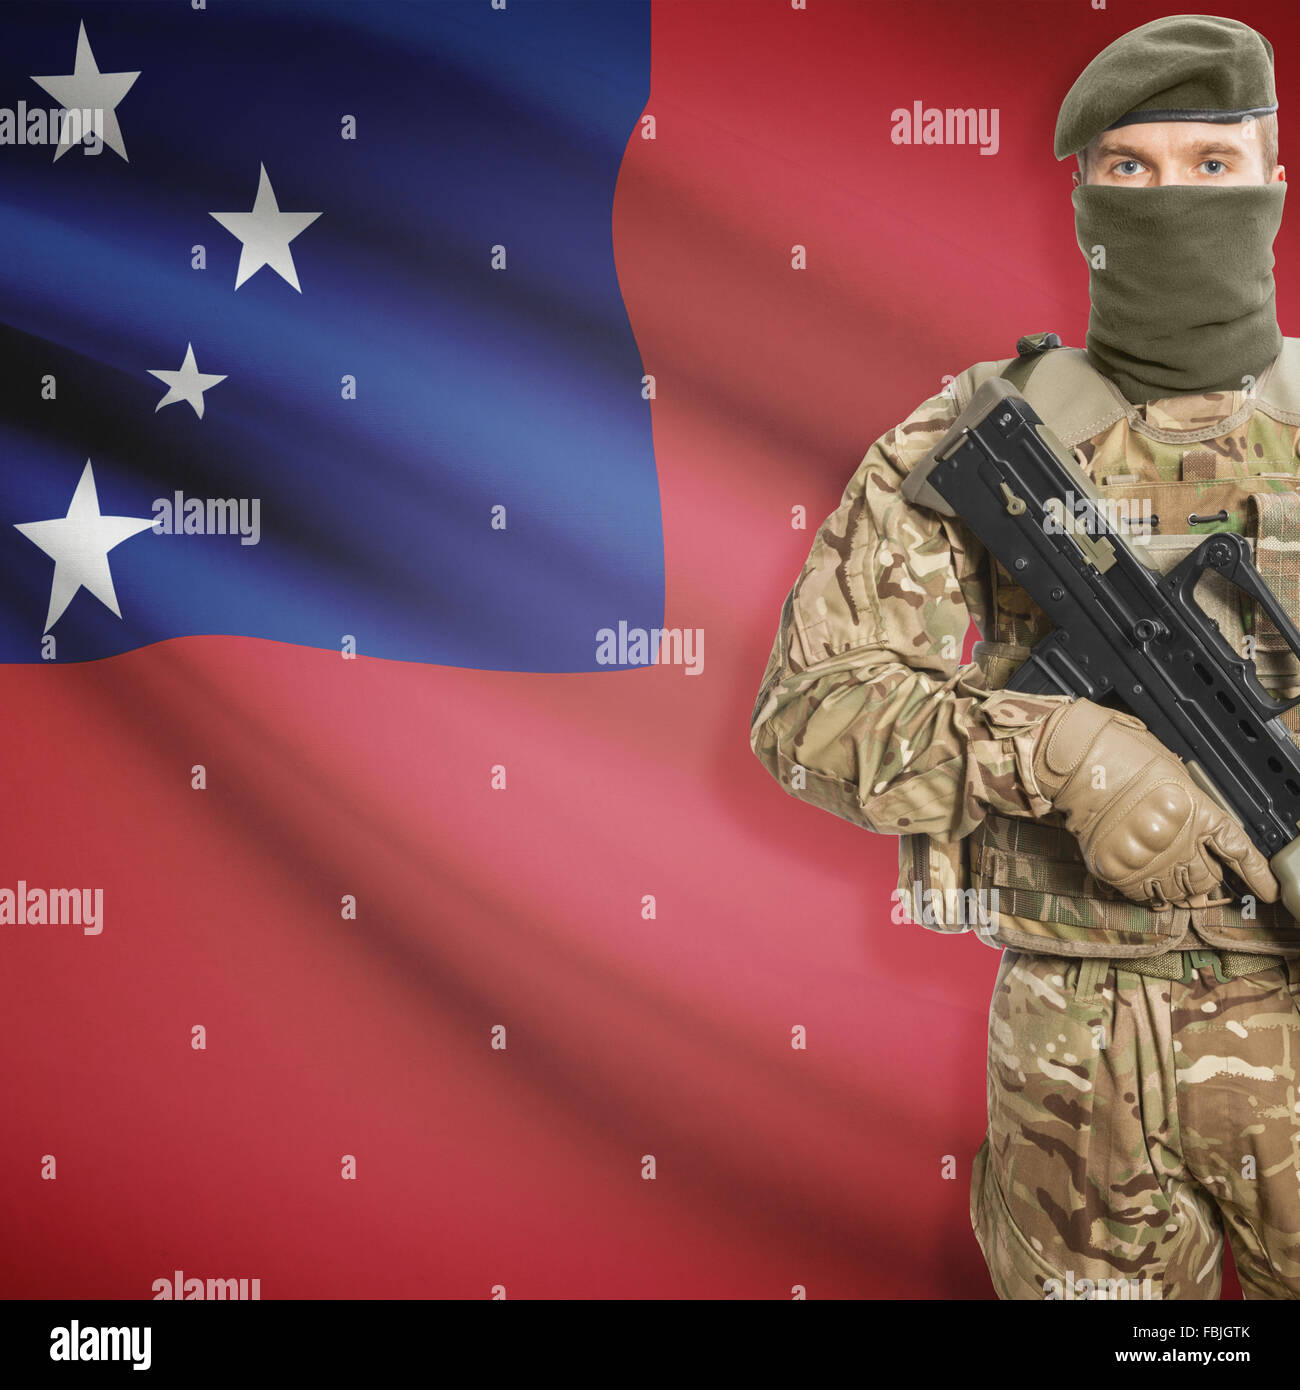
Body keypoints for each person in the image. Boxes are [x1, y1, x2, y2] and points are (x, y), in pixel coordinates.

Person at [750, 14, 1300, 1300]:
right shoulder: (985, 434)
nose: (1172, 198)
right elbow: (807, 708)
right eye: (1130, 170)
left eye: (1211, 167)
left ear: (1272, 185)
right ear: (1081, 199)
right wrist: (1050, 749)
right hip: (1073, 1064)